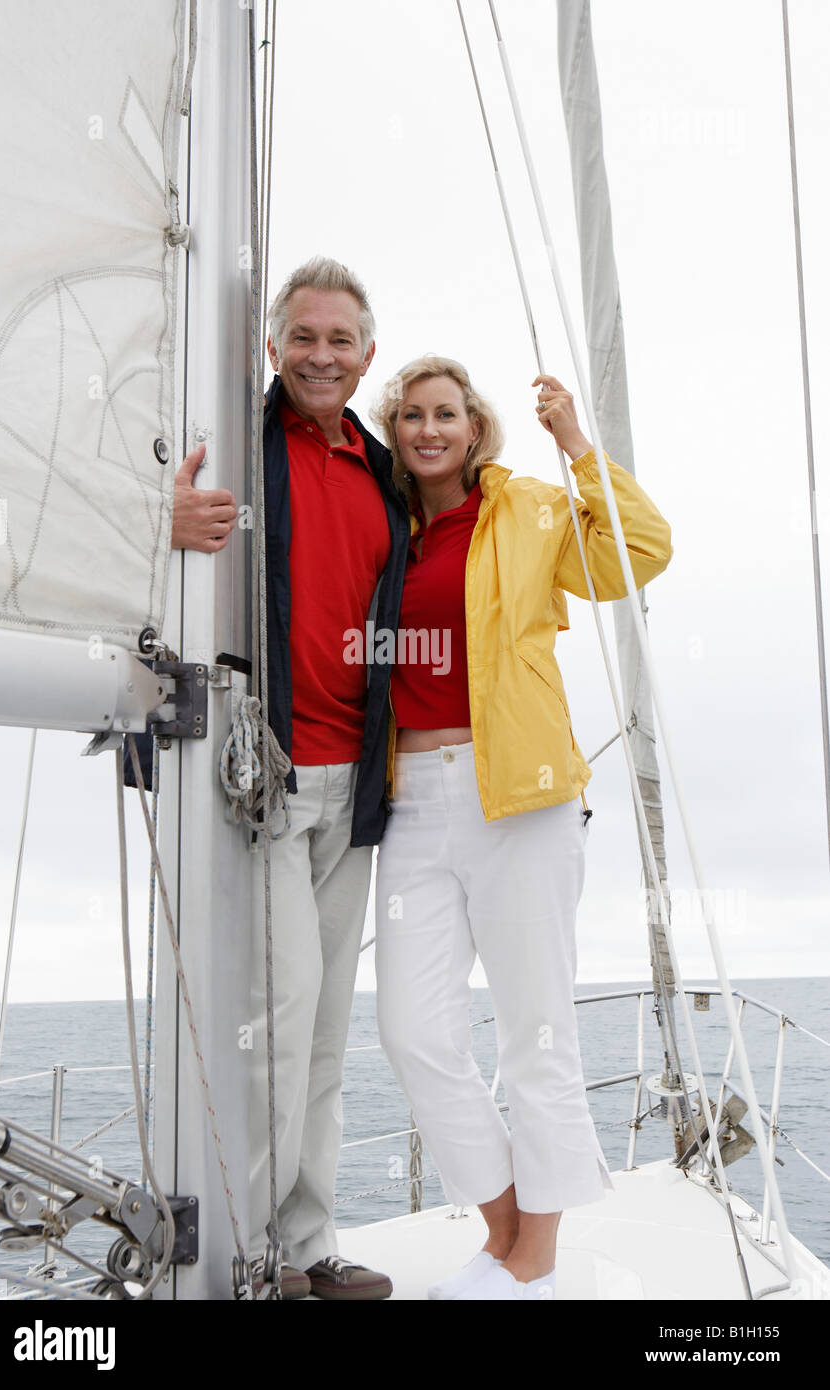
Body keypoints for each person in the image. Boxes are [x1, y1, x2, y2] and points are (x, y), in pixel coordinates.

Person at [370, 355, 673, 1301]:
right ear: (396, 430)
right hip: (410, 799)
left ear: (475, 428)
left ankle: (532, 1256)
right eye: (412, 414)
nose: (429, 429)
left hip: (525, 796)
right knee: (414, 1031)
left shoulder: (532, 510)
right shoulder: (387, 531)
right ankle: (502, 1228)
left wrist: (577, 443)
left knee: (537, 1033)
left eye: (447, 414)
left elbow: (639, 555)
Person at [171, 257, 410, 1300]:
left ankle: (307, 1245)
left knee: (320, 1035)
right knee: (281, 1012)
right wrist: (161, 526)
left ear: (366, 353)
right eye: (301, 337)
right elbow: (130, 507)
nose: (320, 355)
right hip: (258, 779)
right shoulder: (233, 435)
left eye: (339, 340)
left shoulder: (383, 469)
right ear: (273, 349)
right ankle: (246, 1253)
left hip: (354, 789)